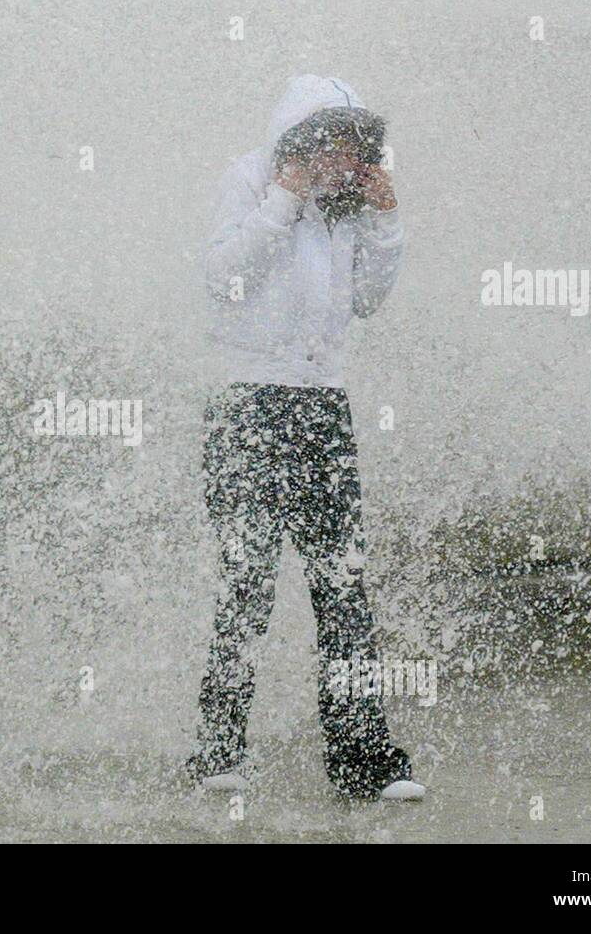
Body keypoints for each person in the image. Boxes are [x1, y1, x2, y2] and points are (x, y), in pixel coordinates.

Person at [187, 75, 424, 801]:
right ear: (297, 140)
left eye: (355, 146)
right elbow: (222, 280)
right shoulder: (249, 181)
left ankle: (363, 762)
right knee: (247, 583)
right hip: (247, 404)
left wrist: (384, 222)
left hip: (322, 408)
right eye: (330, 142)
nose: (343, 158)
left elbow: (370, 302)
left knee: (343, 588)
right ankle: (218, 754)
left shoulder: (348, 210)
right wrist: (283, 199)